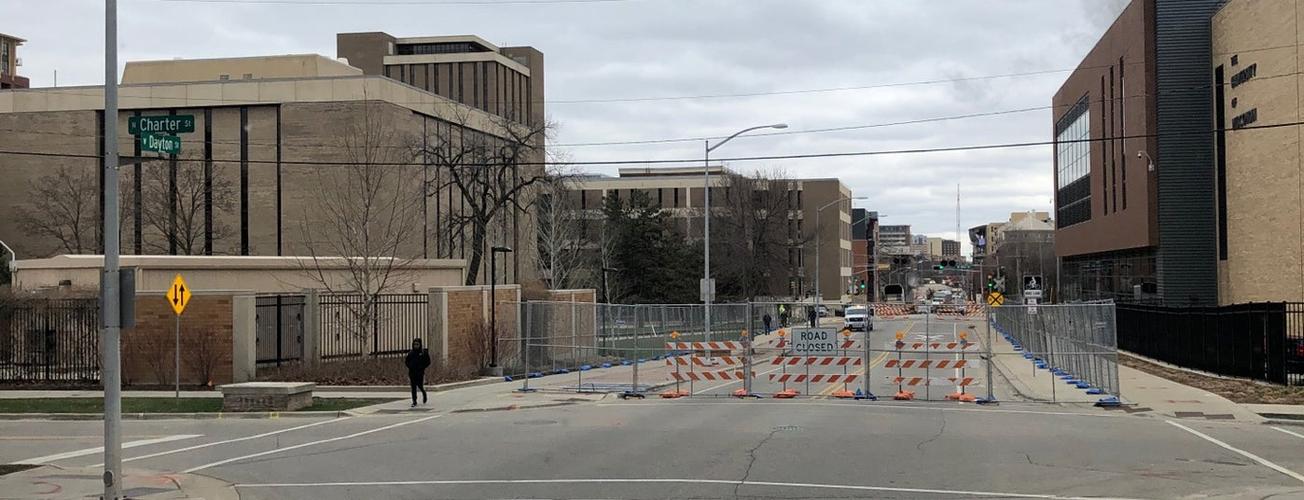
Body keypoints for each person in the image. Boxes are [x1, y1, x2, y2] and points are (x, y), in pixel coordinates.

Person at [405, 338, 431, 407]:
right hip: (412, 372)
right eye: (414, 344)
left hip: (420, 372)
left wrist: (422, 367)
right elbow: (406, 361)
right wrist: (410, 366)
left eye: (417, 344)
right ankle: (414, 401)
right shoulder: (411, 353)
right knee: (413, 387)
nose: (416, 346)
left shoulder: (423, 353)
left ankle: (424, 393)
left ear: (420, 345)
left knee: (420, 386)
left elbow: (428, 362)